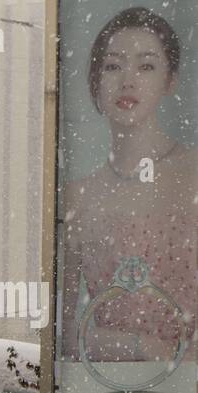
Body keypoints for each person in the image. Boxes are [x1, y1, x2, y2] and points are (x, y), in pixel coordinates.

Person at [59, 6, 197, 371]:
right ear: (95, 80)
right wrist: (139, 346)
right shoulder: (80, 195)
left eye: (146, 65)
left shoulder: (193, 175)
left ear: (170, 81)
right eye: (113, 65)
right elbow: (67, 331)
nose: (128, 81)